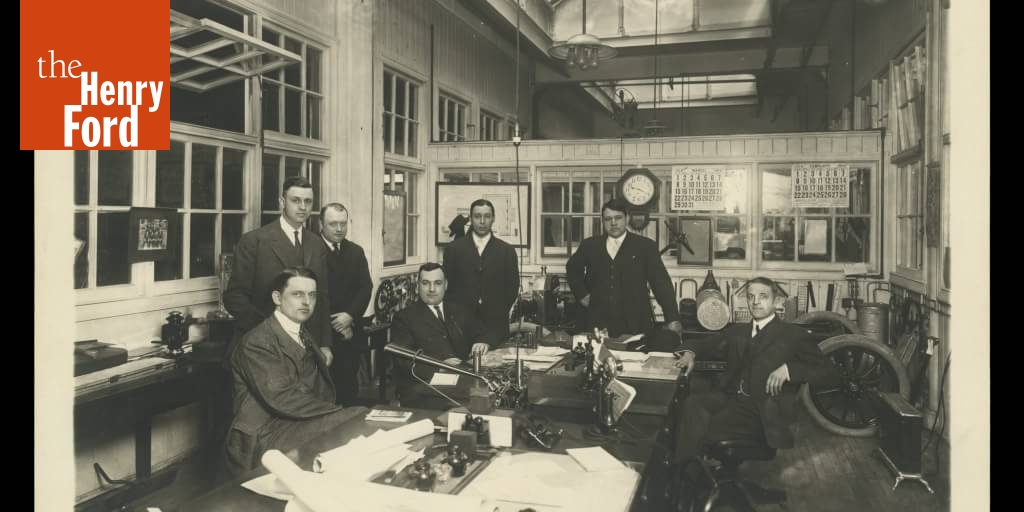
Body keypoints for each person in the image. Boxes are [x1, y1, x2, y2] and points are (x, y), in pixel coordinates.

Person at [672, 277, 839, 462]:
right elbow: (706, 344)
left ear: (776, 302)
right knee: (690, 406)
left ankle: (689, 478)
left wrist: (790, 370)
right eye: (751, 297)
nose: (756, 301)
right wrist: (690, 353)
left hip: (763, 410)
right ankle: (685, 478)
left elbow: (830, 374)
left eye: (763, 296)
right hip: (729, 397)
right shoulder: (738, 331)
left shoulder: (794, 335)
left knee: (700, 428)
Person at [223, 267, 365, 476]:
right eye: (297, 294)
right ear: (277, 297)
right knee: (354, 423)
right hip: (264, 433)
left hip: (297, 421)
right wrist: (338, 412)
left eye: (312, 295)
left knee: (359, 423)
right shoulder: (257, 341)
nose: (307, 302)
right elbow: (282, 398)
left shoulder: (301, 332)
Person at [223, 176, 333, 366]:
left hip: (308, 349)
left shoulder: (317, 244)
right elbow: (234, 297)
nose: (302, 207)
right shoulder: (254, 241)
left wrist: (325, 344)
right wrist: (271, 332)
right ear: (282, 202)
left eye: (308, 201)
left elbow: (322, 297)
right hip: (263, 348)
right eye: (295, 200)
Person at [566, 198, 682, 351]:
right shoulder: (590, 245)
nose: (613, 223)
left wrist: (672, 318)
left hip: (634, 323)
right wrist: (582, 295)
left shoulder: (645, 246)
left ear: (627, 218)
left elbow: (662, 284)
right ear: (602, 221)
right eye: (608, 219)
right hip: (596, 322)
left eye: (618, 218)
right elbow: (572, 268)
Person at [389, 263, 497, 399]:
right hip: (425, 387)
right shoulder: (404, 318)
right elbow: (403, 360)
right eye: (425, 283)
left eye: (438, 283)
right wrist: (440, 366)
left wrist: (483, 342)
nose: (432, 289)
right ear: (418, 286)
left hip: (463, 379)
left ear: (445, 285)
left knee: (493, 395)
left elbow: (485, 332)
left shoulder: (459, 311)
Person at [318, 203, 373, 406]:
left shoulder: (355, 252)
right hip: (323, 334)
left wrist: (349, 316)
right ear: (321, 224)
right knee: (325, 393)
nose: (339, 229)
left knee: (349, 389)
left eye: (343, 223)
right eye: (333, 224)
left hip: (351, 332)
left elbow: (365, 287)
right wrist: (338, 323)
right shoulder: (312, 250)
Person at [443, 198, 520, 342]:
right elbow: (448, 288)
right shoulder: (454, 249)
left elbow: (512, 289)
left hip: (495, 327)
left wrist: (497, 312)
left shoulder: (507, 251)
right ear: (470, 219)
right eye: (477, 217)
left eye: (487, 216)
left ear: (493, 219)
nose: (482, 222)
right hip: (461, 327)